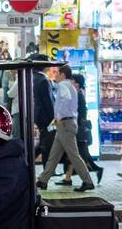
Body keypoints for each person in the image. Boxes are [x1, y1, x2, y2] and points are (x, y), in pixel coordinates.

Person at [38, 64, 95, 192]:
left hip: (65, 123)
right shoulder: (70, 85)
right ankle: (43, 180)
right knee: (54, 154)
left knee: (74, 155)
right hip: (66, 123)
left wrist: (59, 116)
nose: (55, 75)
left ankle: (88, 181)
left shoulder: (63, 85)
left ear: (63, 74)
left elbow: (66, 99)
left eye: (57, 73)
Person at [57, 72, 103, 187]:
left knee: (77, 155)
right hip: (76, 128)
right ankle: (68, 178)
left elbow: (79, 114)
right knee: (74, 155)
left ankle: (92, 172)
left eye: (72, 80)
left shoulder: (79, 95)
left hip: (77, 129)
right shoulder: (77, 94)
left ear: (76, 83)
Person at [30, 54, 55, 169]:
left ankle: (31, 161)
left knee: (43, 141)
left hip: (35, 114)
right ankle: (45, 167)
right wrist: (53, 117)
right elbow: (48, 101)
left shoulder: (32, 77)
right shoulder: (44, 80)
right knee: (46, 142)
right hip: (44, 116)